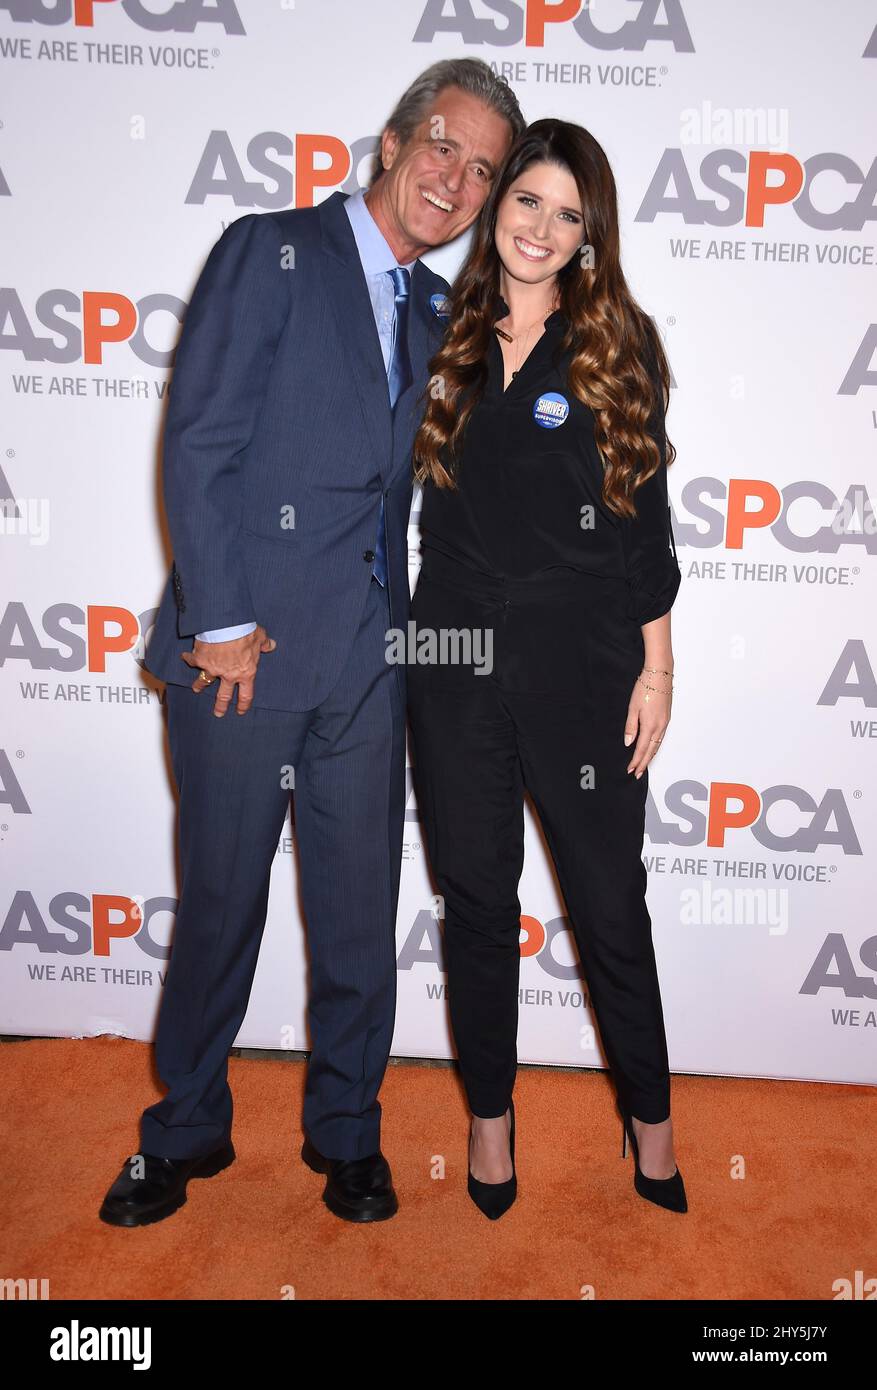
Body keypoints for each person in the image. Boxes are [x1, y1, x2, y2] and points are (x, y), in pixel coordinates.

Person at [99, 60, 522, 1228]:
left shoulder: (442, 314)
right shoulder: (268, 248)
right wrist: (222, 626)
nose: (457, 179)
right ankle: (184, 1130)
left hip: (368, 666)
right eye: (445, 145)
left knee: (354, 922)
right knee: (223, 904)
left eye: (484, 170)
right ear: (391, 141)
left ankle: (346, 1132)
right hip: (244, 659)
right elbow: (199, 440)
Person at [406, 119, 686, 1220]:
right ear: (494, 199)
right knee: (476, 899)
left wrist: (657, 668)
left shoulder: (621, 345)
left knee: (611, 903)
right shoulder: (434, 332)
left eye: (569, 214)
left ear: (590, 235)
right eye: (527, 199)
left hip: (585, 662)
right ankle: (489, 1123)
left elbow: (645, 525)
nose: (541, 227)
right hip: (453, 654)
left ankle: (651, 1124)